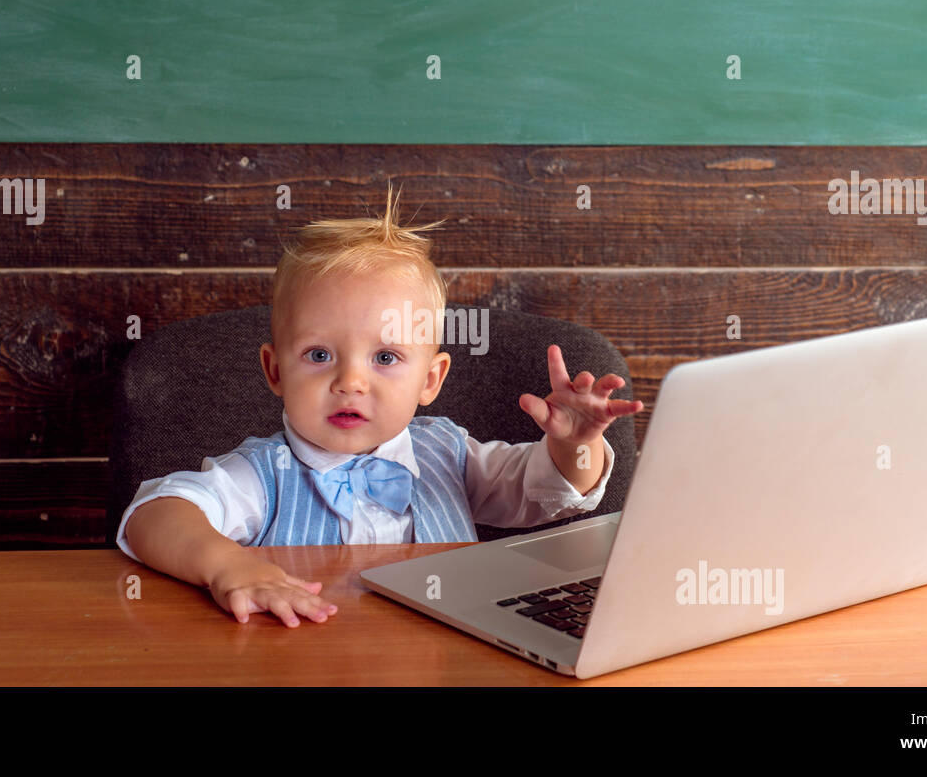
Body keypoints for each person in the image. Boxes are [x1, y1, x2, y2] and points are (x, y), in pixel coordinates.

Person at [118, 184, 644, 627]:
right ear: (276, 371)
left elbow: (548, 489)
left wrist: (575, 444)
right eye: (319, 355)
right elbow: (152, 516)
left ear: (430, 379)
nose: (350, 381)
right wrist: (228, 565)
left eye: (386, 356)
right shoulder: (262, 475)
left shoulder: (452, 458)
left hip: (442, 664)